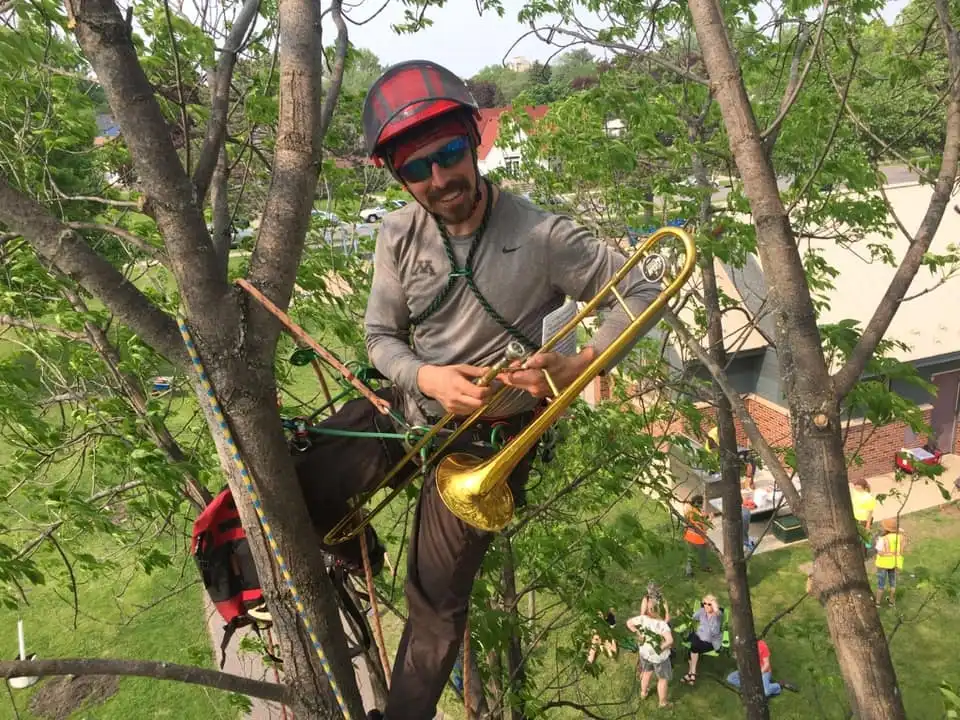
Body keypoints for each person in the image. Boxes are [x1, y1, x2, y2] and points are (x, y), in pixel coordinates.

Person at [293, 59, 663, 720]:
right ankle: (358, 549)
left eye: (450, 154)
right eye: (416, 169)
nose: (439, 180)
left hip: (488, 440)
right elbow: (381, 337)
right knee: (297, 487)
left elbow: (643, 291)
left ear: (476, 138)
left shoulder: (543, 236)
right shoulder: (397, 233)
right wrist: (425, 375)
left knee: (435, 608)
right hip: (410, 407)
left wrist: (578, 365)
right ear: (397, 176)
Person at [626, 601, 674, 708]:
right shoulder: (662, 625)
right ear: (660, 610)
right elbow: (670, 640)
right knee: (662, 679)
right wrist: (660, 648)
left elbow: (629, 623)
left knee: (646, 672)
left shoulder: (642, 619)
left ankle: (643, 693)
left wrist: (637, 632)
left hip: (644, 653)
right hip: (659, 658)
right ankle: (662, 702)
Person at [681, 594, 723, 685]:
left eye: (709, 604)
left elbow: (717, 612)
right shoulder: (701, 611)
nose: (706, 606)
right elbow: (691, 617)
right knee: (694, 645)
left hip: (711, 642)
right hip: (699, 638)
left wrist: (714, 604)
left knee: (693, 646)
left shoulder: (718, 615)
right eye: (704, 603)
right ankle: (692, 674)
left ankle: (691, 673)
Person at [875, 517, 906, 607]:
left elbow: (880, 553)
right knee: (893, 583)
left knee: (881, 584)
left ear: (886, 528)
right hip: (894, 563)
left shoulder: (883, 539)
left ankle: (877, 602)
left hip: (883, 564)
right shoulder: (901, 538)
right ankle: (891, 601)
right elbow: (902, 549)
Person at [683, 494, 711, 576]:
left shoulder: (689, 510)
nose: (702, 504)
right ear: (698, 503)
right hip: (698, 538)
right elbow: (704, 527)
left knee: (690, 555)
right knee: (703, 554)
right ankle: (704, 567)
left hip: (689, 536)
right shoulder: (698, 515)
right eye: (701, 503)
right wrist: (710, 519)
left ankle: (688, 571)